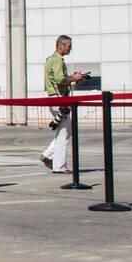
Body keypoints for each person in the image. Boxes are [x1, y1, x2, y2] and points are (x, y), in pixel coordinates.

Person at [40, 35, 88, 174]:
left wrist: (74, 81)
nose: (70, 49)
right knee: (65, 132)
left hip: (56, 97)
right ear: (60, 45)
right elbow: (60, 80)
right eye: (68, 46)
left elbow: (59, 82)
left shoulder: (52, 59)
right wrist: (75, 77)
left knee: (64, 131)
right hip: (58, 99)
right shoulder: (56, 60)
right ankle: (59, 166)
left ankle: (48, 156)